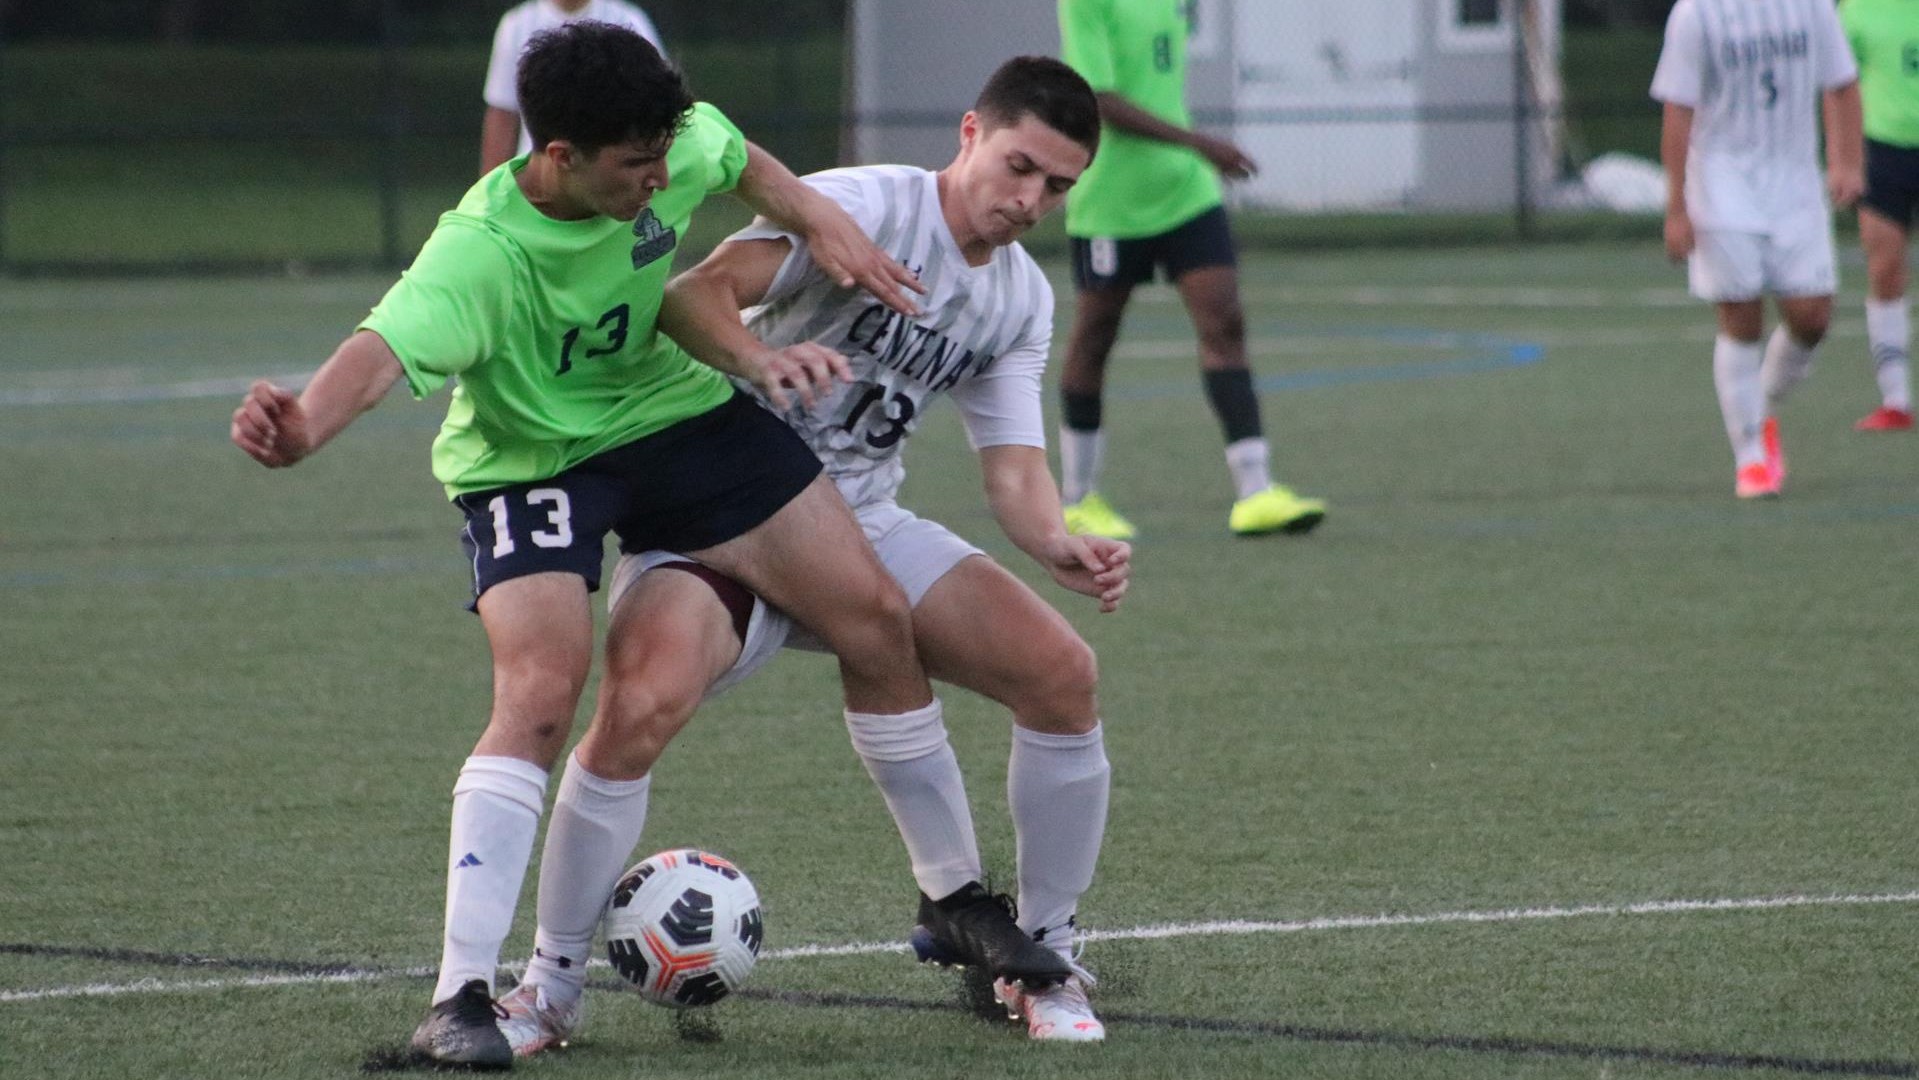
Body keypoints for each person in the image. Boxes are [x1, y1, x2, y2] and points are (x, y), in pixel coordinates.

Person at [229, 23, 1048, 1071]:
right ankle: (463, 997)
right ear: (559, 157)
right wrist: (301, 427)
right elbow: (378, 353)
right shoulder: (480, 254)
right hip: (533, 463)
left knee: (874, 614)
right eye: (634, 167)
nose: (661, 180)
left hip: (678, 419)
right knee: (540, 694)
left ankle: (953, 899)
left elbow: (731, 153)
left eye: (663, 157)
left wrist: (815, 222)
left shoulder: (667, 146)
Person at [496, 56, 1126, 1054]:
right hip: (725, 517)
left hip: (863, 524)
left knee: (1061, 676)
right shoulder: (864, 203)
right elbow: (692, 296)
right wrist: (761, 358)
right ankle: (548, 986)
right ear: (968, 134)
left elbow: (1011, 469)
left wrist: (1057, 540)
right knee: (635, 708)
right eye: (1017, 167)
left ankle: (1037, 953)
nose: (1029, 201)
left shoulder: (1017, 301)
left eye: (1056, 186)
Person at [1052, 0, 1325, 540]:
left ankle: (1256, 492)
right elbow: (1098, 99)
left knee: (1224, 322)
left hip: (1184, 191)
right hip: (1112, 200)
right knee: (1095, 338)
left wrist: (1192, 154)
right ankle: (1078, 500)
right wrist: (1198, 142)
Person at [1653, 0, 1864, 498]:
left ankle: (1760, 403)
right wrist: (1677, 208)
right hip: (1722, 182)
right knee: (1741, 315)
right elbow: (1677, 111)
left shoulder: (1810, 7)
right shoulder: (1696, 14)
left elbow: (1842, 82)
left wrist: (1846, 161)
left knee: (1812, 317)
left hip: (1794, 182)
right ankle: (1750, 455)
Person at [1840, 0, 1918, 431]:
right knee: (1886, 270)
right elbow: (1838, 87)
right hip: (1882, 154)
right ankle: (1896, 400)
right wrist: (1844, 159)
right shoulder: (1855, 11)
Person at [480, 0, 665, 175]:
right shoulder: (516, 25)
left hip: (609, 175)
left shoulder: (629, 20)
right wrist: (488, 190)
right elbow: (502, 113)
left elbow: (657, 101)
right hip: (539, 175)